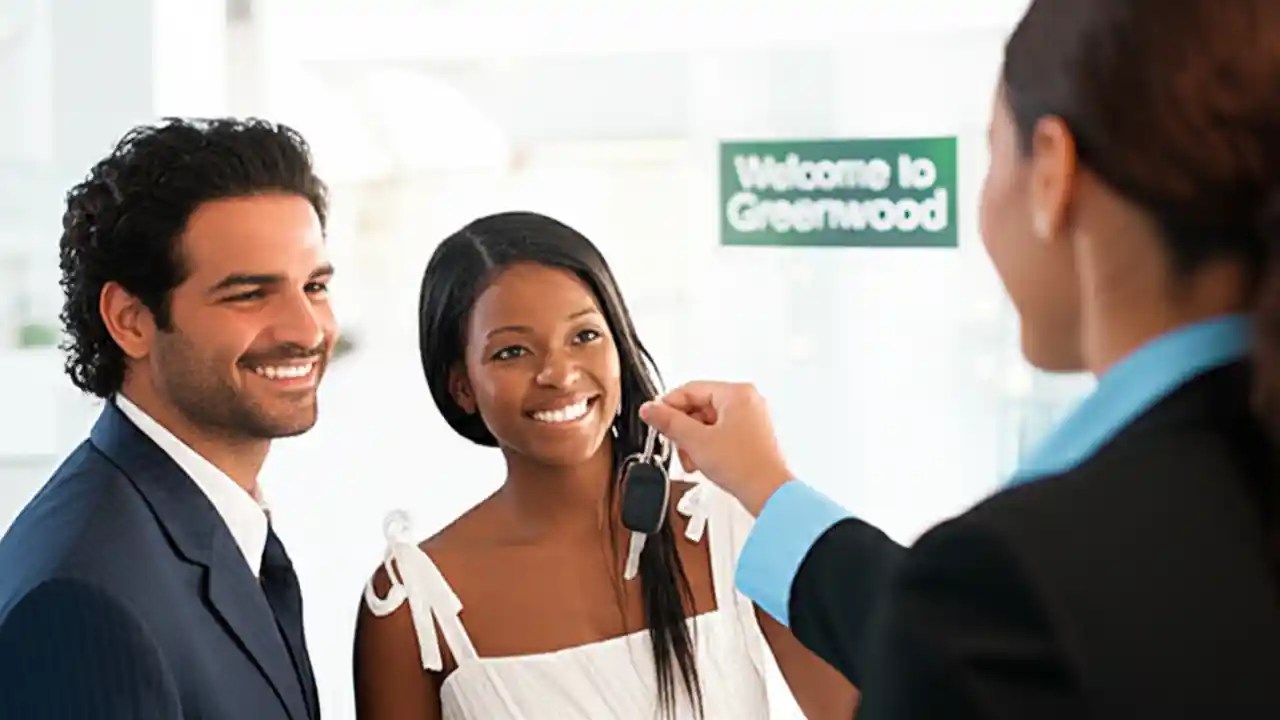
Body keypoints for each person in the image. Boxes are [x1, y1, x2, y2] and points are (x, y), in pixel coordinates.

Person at [639, 0, 1280, 717]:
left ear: (1053, 175)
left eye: (992, 152)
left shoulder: (1015, 584)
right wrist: (768, 487)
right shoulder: (1036, 588)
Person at [353, 211, 857, 719]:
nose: (558, 372)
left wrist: (769, 485)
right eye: (511, 351)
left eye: (584, 336)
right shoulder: (413, 605)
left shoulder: (727, 529)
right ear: (461, 385)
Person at [0, 118, 336, 720]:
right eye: (250, 294)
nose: (306, 331)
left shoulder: (198, 522)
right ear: (131, 320)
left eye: (313, 287)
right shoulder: (82, 600)